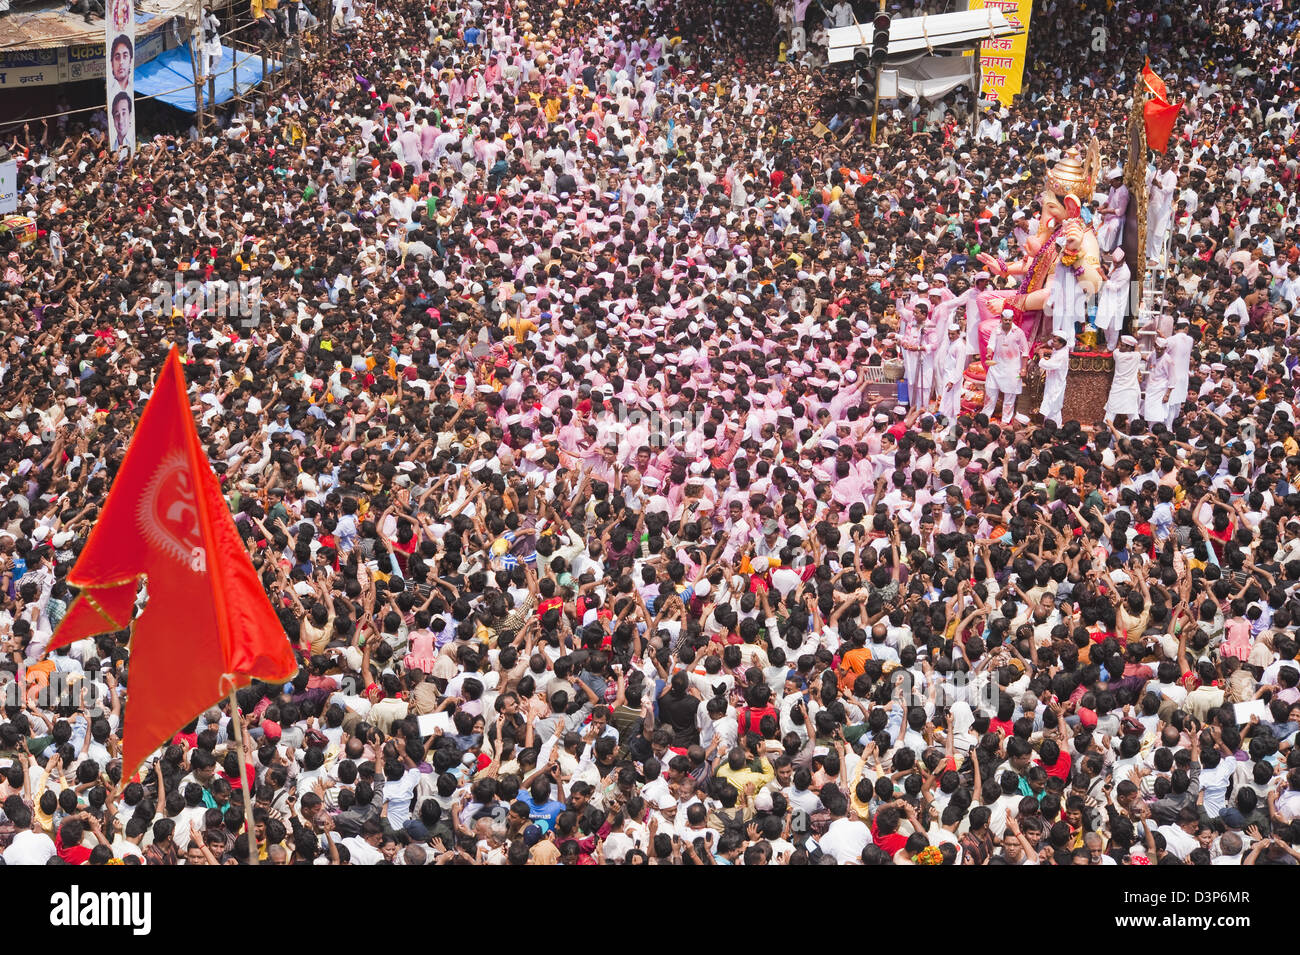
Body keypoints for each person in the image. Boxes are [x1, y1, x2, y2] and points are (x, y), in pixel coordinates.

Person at [983, 309, 1029, 424]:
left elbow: (1025, 352)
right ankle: (985, 416)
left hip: (1012, 369)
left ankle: (1005, 420)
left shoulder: (1018, 332)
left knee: (1010, 396)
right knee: (990, 391)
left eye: (1009, 320)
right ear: (1001, 319)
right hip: (996, 366)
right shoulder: (996, 330)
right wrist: (989, 352)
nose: (1007, 322)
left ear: (1013, 319)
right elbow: (991, 344)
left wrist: (1023, 369)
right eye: (1005, 320)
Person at [1104, 335, 1143, 423]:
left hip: (1120, 389)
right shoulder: (1136, 356)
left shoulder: (1117, 354)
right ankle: (1138, 432)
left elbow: (1117, 348)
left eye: (1123, 345)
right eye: (1121, 345)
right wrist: (1135, 343)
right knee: (1131, 414)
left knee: (1112, 413)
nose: (1120, 347)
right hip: (1128, 390)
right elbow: (1137, 350)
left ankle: (1105, 432)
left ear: (1129, 347)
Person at [1036, 333, 1070, 427]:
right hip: (1052, 383)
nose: (1052, 343)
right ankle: (1051, 427)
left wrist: (1041, 355)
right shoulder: (1061, 348)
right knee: (1051, 407)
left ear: (1062, 343)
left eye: (1055, 342)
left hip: (1055, 385)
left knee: (1052, 408)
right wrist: (1044, 347)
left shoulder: (1061, 355)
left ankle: (1051, 428)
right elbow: (1051, 345)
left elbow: (1047, 365)